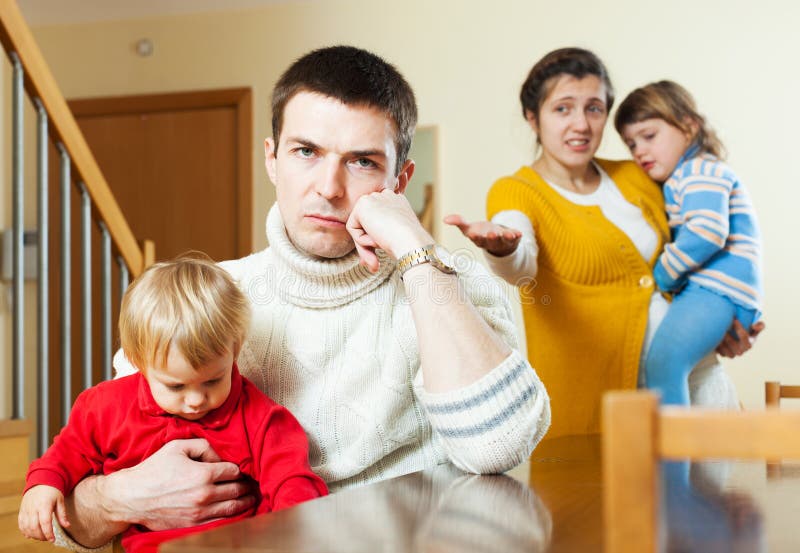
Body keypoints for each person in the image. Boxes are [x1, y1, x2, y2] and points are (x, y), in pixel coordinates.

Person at [54, 46, 550, 551]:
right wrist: (120, 499)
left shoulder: (450, 282)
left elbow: (498, 446)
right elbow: (68, 520)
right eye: (306, 152)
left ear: (400, 181)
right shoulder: (206, 301)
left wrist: (416, 252)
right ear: (272, 159)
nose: (329, 188)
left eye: (361, 161)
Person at [445, 47, 762, 439]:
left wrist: (726, 318)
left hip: (696, 385)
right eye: (563, 108)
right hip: (602, 412)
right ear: (533, 118)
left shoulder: (638, 175)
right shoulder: (518, 191)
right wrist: (502, 248)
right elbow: (521, 261)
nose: (581, 124)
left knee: (718, 497)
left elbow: (703, 233)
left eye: (594, 108)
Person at [20, 256, 327, 553]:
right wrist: (42, 486)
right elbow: (65, 454)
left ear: (235, 350)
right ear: (137, 360)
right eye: (175, 386)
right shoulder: (103, 407)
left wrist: (291, 534)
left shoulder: (260, 417)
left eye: (213, 380)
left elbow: (292, 480)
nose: (195, 400)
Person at [614, 80, 763, 405]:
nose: (640, 152)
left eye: (649, 136)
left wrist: (663, 274)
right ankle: (673, 454)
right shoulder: (686, 174)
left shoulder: (698, 170)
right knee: (666, 367)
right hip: (717, 290)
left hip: (715, 289)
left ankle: (671, 457)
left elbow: (707, 232)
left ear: (689, 126)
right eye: (631, 144)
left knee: (664, 364)